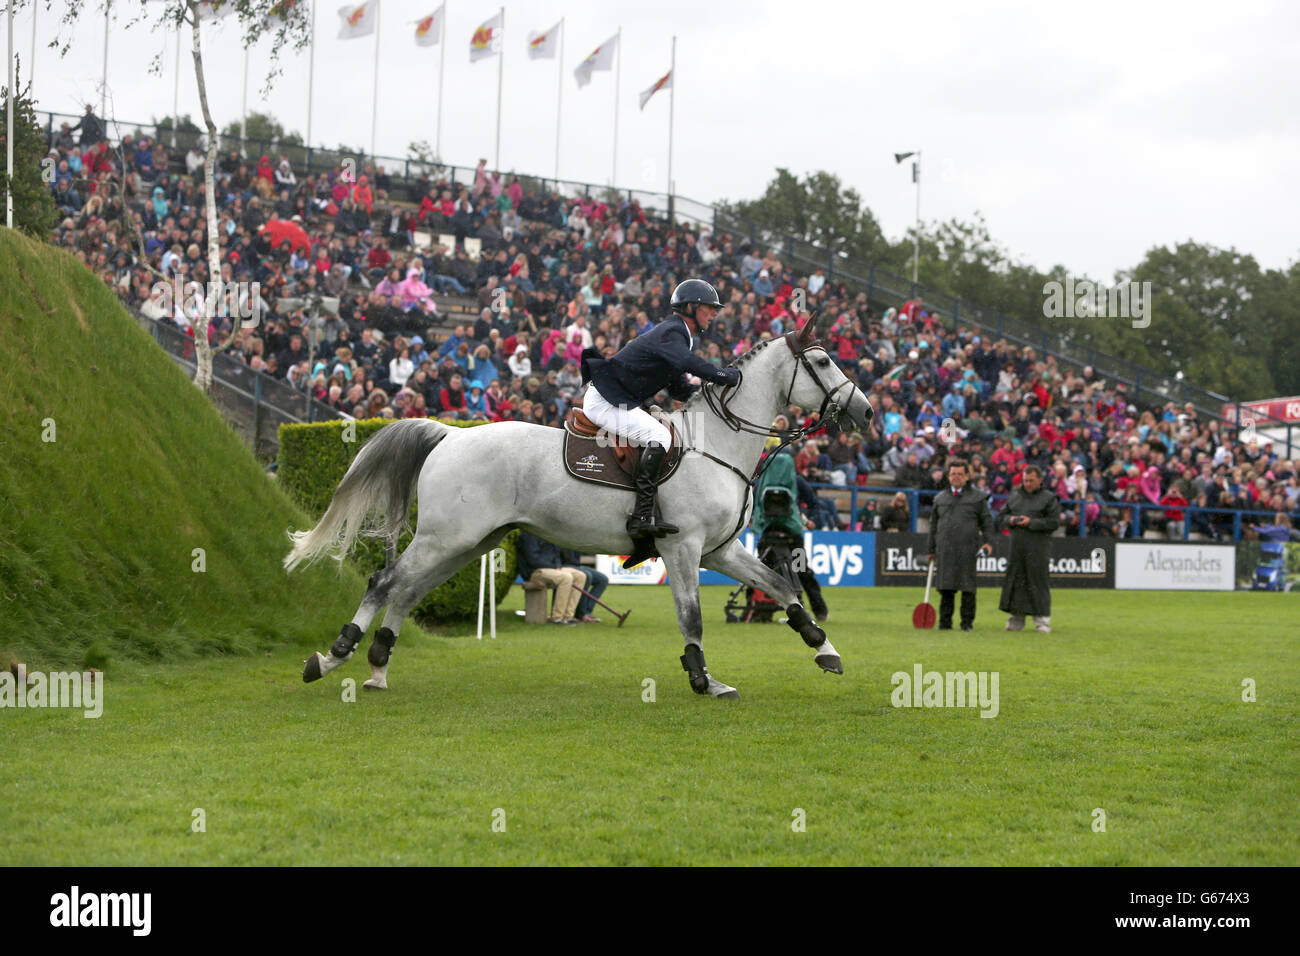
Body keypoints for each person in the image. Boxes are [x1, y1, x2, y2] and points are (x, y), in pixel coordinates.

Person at [580, 278, 740, 540]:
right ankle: (642, 515)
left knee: (664, 434)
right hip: (606, 401)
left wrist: (710, 393)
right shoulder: (672, 332)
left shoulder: (679, 338)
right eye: (709, 307)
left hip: (617, 398)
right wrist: (724, 375)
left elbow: (678, 388)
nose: (715, 313)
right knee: (660, 437)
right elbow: (687, 362)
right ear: (690, 307)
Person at [752, 449, 828, 621]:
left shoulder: (763, 483)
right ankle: (820, 611)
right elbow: (814, 503)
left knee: (764, 572)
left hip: (770, 538)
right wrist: (811, 520)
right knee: (801, 571)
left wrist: (812, 518)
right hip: (792, 539)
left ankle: (760, 611)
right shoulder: (797, 480)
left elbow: (753, 505)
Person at [926, 458, 994, 631]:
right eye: (953, 473)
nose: (956, 477)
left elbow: (987, 523)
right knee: (945, 588)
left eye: (960, 474)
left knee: (968, 588)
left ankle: (967, 623)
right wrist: (931, 549)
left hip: (968, 549)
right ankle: (945, 623)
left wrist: (988, 543)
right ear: (948, 476)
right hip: (945, 549)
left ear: (966, 476)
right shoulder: (940, 498)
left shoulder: (978, 498)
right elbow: (933, 526)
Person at [996, 464, 1061, 633]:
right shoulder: (1014, 496)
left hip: (1038, 547)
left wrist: (1031, 522)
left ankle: (1042, 623)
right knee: (1016, 582)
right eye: (1025, 480)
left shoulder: (1049, 498)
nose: (1028, 484)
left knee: (1038, 583)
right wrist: (1011, 520)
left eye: (1031, 480)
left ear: (1040, 480)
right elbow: (1001, 516)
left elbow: (1054, 522)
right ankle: (1015, 622)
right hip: (1017, 547)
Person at [516, 532, 584, 626]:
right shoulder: (529, 535)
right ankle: (557, 618)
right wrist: (553, 567)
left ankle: (568, 616)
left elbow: (556, 555)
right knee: (566, 577)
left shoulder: (549, 533)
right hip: (535, 571)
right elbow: (533, 559)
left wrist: (557, 566)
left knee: (580, 576)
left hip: (552, 568)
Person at [559, 548, 608, 623]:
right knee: (587, 576)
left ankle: (587, 612)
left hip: (577, 565)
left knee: (603, 580)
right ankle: (581, 614)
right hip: (563, 565)